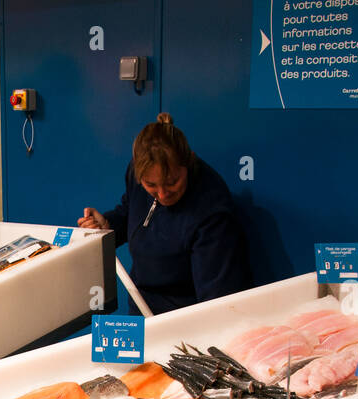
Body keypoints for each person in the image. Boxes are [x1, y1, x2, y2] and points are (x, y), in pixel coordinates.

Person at [79, 113, 251, 314]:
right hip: (141, 302)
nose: (162, 194)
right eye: (151, 185)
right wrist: (107, 226)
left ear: (188, 162)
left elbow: (217, 300)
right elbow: (131, 213)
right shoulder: (137, 173)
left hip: (185, 315)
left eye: (172, 182)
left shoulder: (211, 212)